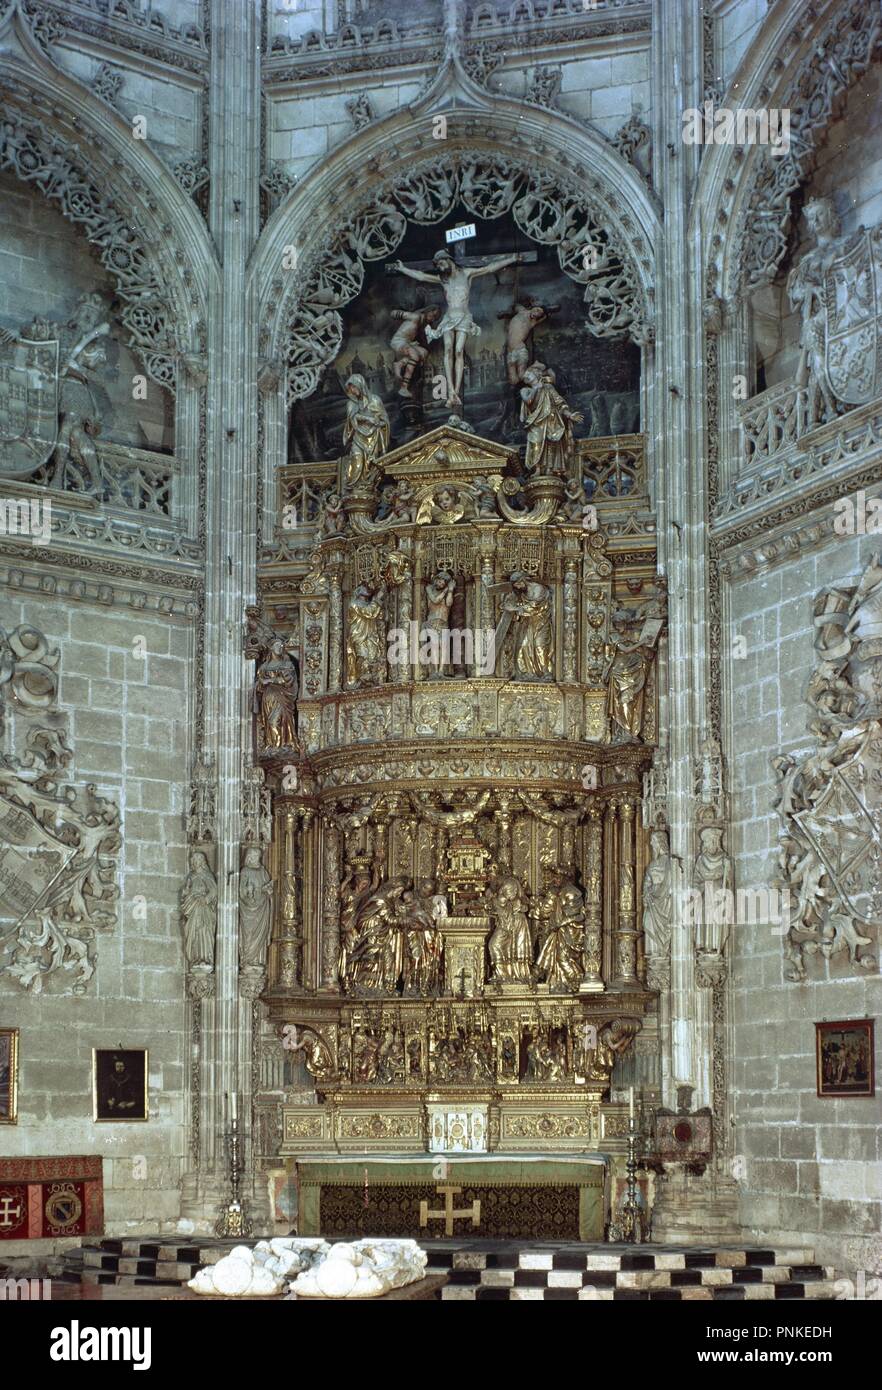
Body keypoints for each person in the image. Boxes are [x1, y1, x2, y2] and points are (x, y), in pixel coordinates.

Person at [391, 248, 523, 407]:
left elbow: (488, 268)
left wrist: (511, 258)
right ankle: (451, 392)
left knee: (459, 351)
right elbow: (421, 276)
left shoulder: (466, 274)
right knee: (448, 350)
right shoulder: (443, 279)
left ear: (448, 260)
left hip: (463, 316)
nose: (440, 268)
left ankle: (456, 390)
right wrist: (403, 269)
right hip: (449, 318)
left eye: (441, 263)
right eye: (438, 265)